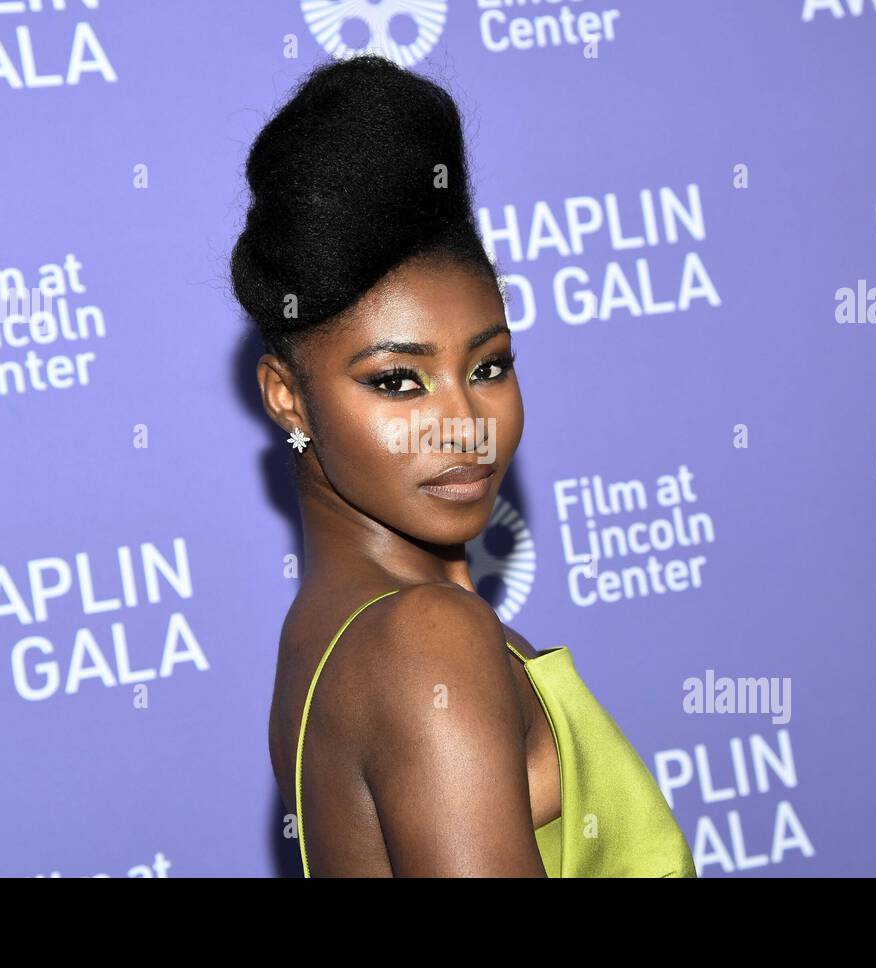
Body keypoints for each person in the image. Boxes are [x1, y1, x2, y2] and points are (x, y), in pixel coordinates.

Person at [231, 54, 696, 878]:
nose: (465, 428)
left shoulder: (333, 632)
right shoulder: (426, 641)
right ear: (287, 398)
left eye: (488, 367)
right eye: (397, 382)